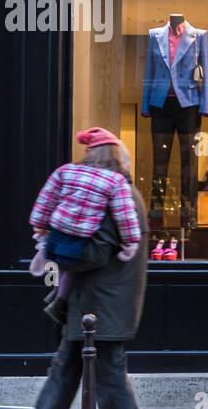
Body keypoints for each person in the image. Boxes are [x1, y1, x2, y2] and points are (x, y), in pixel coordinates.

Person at [0, 140, 148, 409]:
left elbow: (98, 252)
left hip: (104, 307)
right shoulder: (113, 193)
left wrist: (58, 247)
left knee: (108, 379)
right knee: (64, 372)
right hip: (94, 304)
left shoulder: (116, 196)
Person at [28, 127, 142, 323]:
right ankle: (60, 299)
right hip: (81, 237)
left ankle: (56, 292)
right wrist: (130, 243)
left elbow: (46, 198)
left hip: (58, 234)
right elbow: (124, 215)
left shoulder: (65, 170)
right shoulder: (115, 180)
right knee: (74, 264)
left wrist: (39, 223)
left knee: (63, 263)